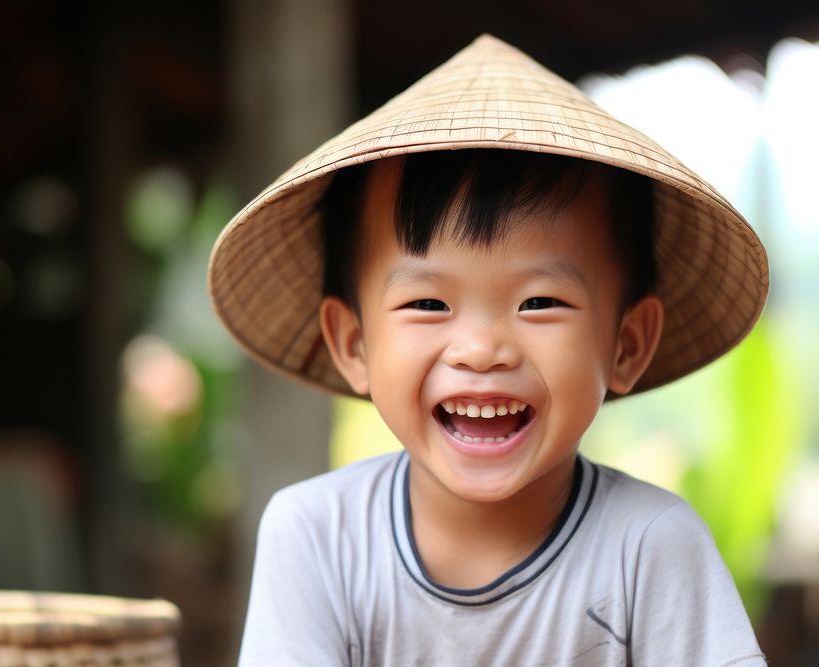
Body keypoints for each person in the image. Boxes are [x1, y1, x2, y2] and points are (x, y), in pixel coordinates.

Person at [209, 34, 769, 666]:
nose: (481, 350)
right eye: (428, 303)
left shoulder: (650, 547)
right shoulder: (318, 535)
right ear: (354, 343)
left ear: (626, 343)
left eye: (539, 302)